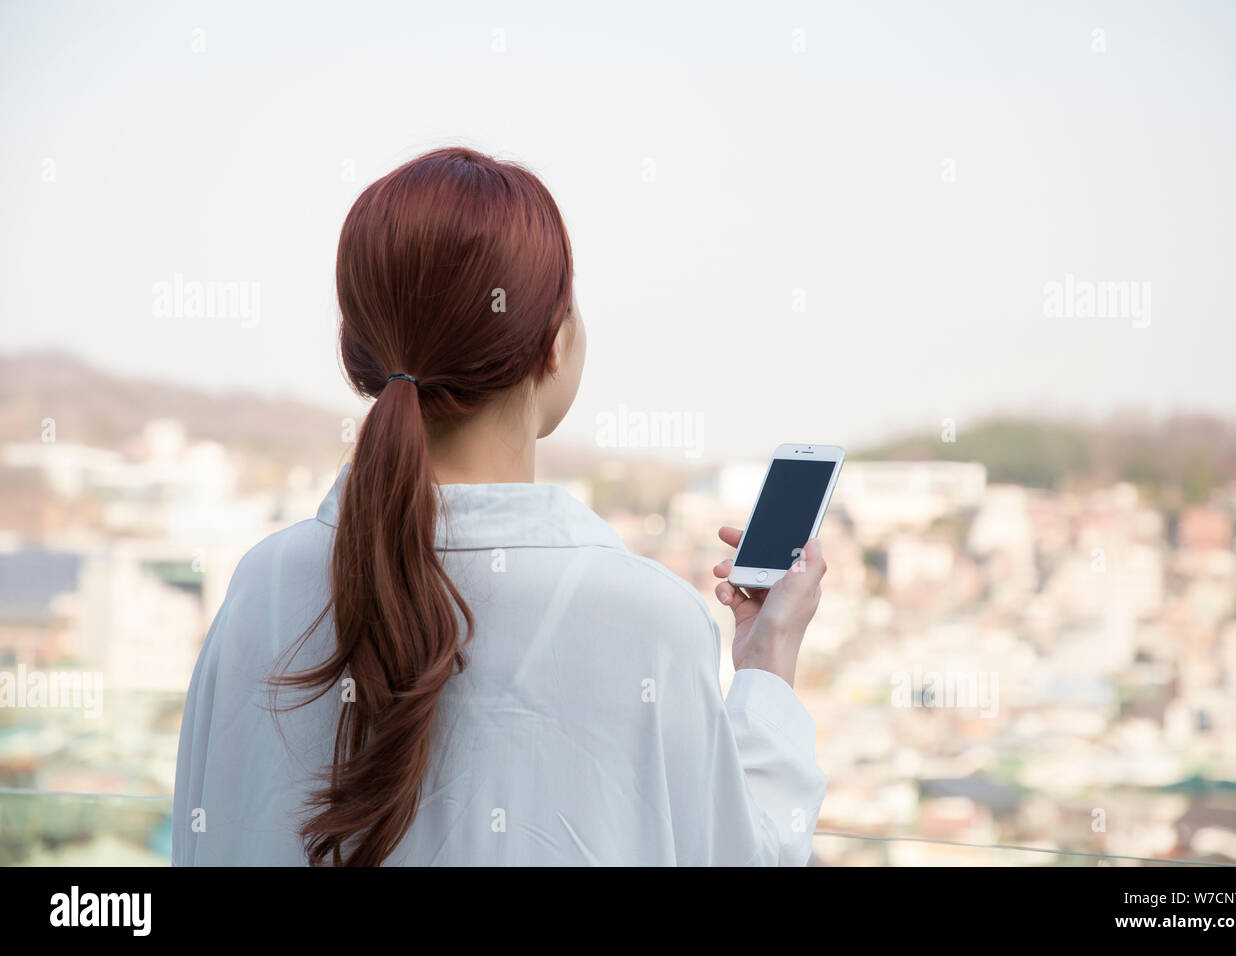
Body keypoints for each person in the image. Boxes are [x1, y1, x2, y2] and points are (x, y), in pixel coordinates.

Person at [172, 147, 828, 866]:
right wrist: (767, 666)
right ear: (556, 343)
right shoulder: (645, 619)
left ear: (356, 350)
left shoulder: (260, 587)